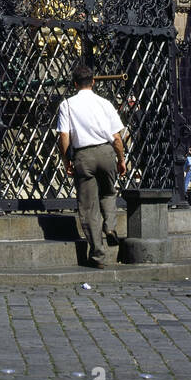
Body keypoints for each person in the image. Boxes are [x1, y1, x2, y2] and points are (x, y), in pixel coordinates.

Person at [56, 63, 126, 269]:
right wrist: (121, 159)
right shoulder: (105, 103)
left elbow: (64, 135)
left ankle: (98, 256)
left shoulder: (67, 105)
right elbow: (117, 137)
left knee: (89, 208)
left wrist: (66, 159)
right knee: (109, 193)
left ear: (75, 84)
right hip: (106, 152)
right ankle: (110, 227)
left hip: (83, 155)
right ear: (93, 82)